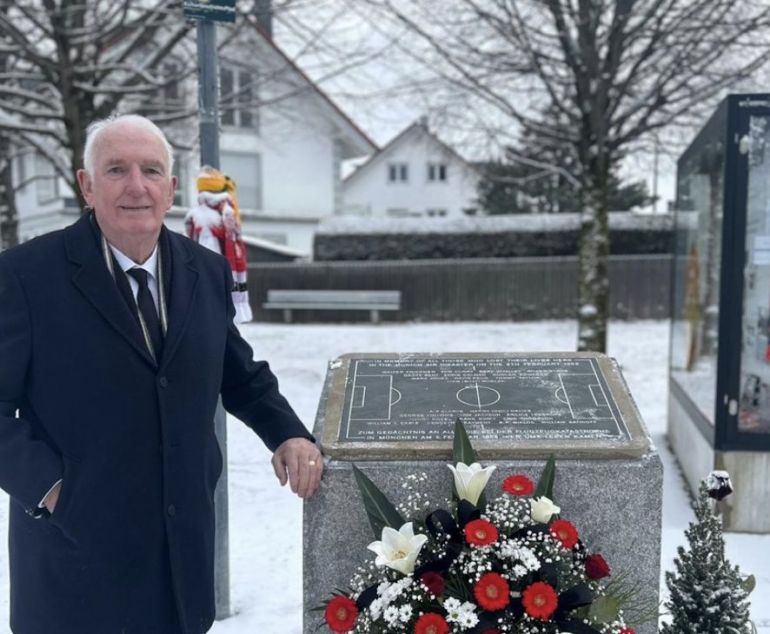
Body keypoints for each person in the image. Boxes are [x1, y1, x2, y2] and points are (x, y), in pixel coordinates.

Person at [0, 114, 323, 634]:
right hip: (75, 567)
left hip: (179, 566)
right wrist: (52, 488)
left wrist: (286, 432)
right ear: (86, 185)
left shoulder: (205, 270)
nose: (136, 185)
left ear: (171, 188)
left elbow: (236, 371)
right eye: (116, 170)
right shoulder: (25, 276)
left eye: (151, 170)